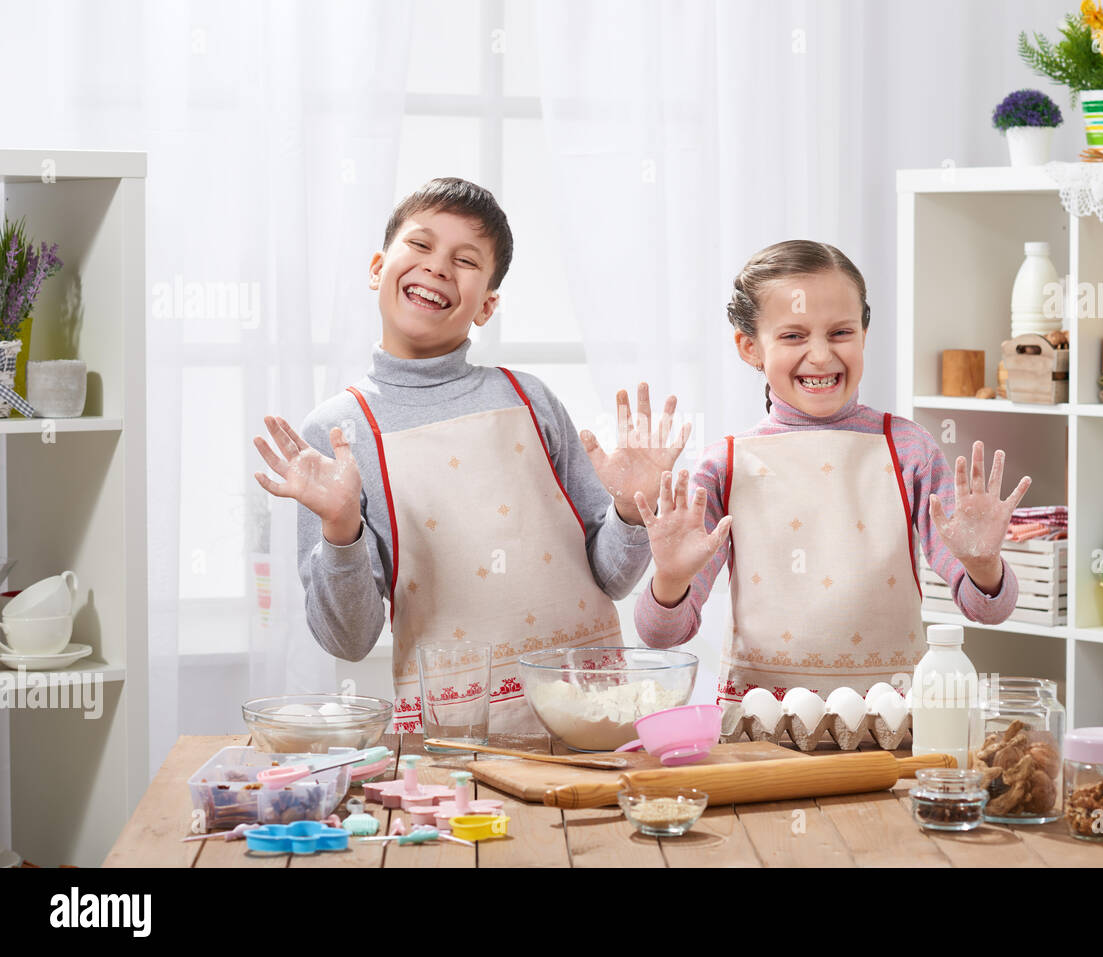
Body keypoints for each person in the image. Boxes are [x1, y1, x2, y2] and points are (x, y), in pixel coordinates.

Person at [253, 177, 688, 732]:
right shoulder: (338, 431)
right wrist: (341, 529)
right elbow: (349, 639)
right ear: (375, 268)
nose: (437, 267)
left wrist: (630, 509)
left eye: (465, 260)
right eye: (420, 245)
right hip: (456, 741)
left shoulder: (530, 399)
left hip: (590, 719)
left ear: (487, 305)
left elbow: (612, 579)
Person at [633, 240, 1032, 702]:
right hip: (760, 731)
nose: (820, 356)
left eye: (840, 332)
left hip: (890, 725)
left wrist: (984, 566)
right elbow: (660, 635)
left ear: (864, 334)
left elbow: (988, 610)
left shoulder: (907, 449)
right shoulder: (723, 466)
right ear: (749, 347)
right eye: (793, 336)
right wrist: (671, 578)